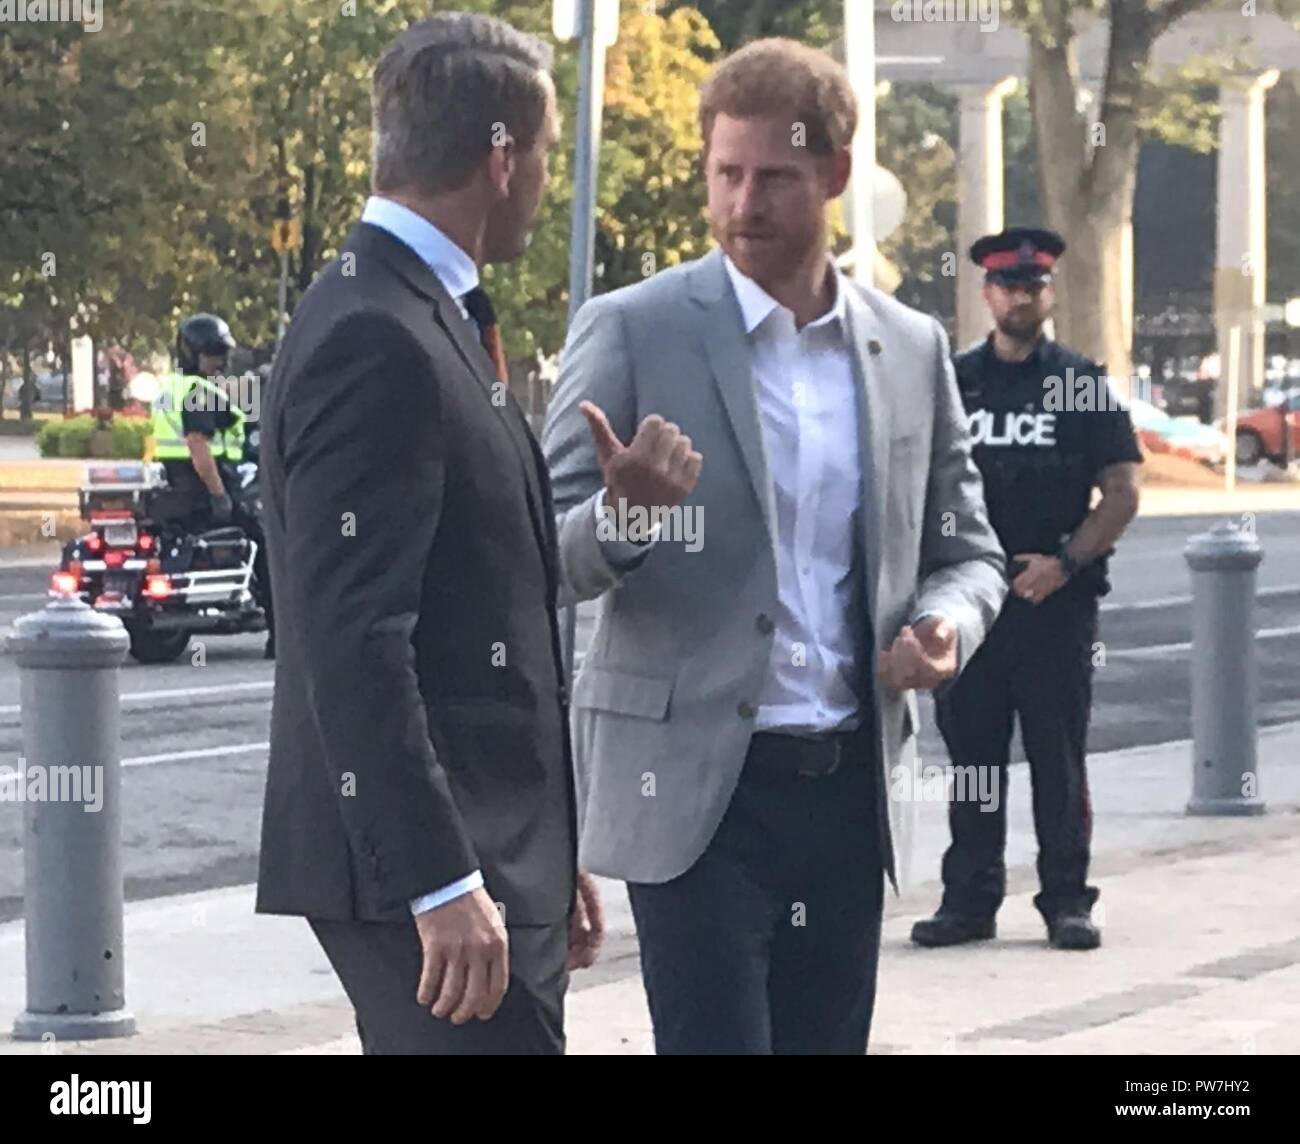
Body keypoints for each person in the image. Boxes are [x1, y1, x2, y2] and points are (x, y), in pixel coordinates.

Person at [542, 38, 1006, 1054]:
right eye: (726, 174)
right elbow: (539, 558)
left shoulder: (907, 346)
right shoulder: (631, 328)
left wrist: (945, 625)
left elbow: (971, 549)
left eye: (775, 179)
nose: (744, 203)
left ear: (836, 176)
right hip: (697, 793)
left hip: (846, 789)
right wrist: (628, 516)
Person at [255, 14, 601, 1055]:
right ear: (502, 157)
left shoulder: (416, 311)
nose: (545, 178)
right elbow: (353, 635)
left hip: (490, 847)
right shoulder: (378, 334)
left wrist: (549, 843)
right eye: (542, 154)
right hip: (435, 875)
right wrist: (439, 877)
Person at [910, 227, 1142, 952]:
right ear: (987, 294)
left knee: (1057, 760)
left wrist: (1065, 564)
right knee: (973, 760)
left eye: (1034, 285)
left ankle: (1067, 900)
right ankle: (969, 901)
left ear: (1048, 294)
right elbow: (914, 486)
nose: (1021, 295)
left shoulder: (1077, 380)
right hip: (971, 607)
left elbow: (1123, 490)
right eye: (1008, 285)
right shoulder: (954, 380)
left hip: (1055, 606)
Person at [152, 312, 274, 658]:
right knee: (266, 540)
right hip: (204, 486)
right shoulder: (198, 392)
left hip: (177, 489)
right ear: (193, 354)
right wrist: (219, 495)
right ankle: (281, 637)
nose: (219, 361)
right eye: (213, 354)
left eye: (222, 354)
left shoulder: (171, 388)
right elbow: (198, 446)